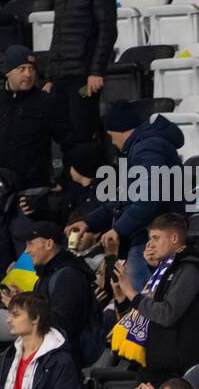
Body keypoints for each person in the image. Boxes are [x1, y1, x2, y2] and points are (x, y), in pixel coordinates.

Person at [0, 45, 71, 290]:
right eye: (21, 68)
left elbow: (70, 143)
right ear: (7, 72)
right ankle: (0, 312)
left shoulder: (46, 104)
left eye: (31, 69)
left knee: (29, 262)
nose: (28, 74)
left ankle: (30, 316)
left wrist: (61, 180)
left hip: (29, 200)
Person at [71, 101, 184, 292]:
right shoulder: (140, 148)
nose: (111, 141)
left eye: (110, 135)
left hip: (150, 238)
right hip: (146, 233)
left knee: (141, 304)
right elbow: (123, 198)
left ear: (121, 129)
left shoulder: (147, 149)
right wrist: (89, 222)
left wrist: (118, 229)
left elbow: (148, 199)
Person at [0, 220, 98, 365]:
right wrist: (20, 299)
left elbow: (62, 325)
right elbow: (43, 305)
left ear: (49, 244)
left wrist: (23, 305)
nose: (26, 251)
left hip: (58, 349)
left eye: (30, 244)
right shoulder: (46, 272)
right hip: (32, 323)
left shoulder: (68, 275)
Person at [109, 213, 199, 387]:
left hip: (177, 371)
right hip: (156, 365)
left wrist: (131, 292)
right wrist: (122, 298)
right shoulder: (164, 270)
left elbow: (166, 314)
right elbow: (146, 312)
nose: (150, 244)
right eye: (150, 239)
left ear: (174, 238)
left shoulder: (189, 269)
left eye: (156, 238)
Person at [46, 0, 116, 145]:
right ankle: (71, 173)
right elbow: (57, 35)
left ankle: (90, 172)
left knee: (83, 129)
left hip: (84, 80)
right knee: (63, 133)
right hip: (60, 77)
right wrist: (50, 77)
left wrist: (96, 71)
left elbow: (107, 31)